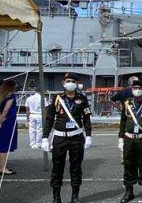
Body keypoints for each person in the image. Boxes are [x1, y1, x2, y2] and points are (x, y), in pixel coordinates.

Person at [43, 73, 93, 203]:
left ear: (77, 83)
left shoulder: (82, 99)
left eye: (73, 81)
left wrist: (88, 135)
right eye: (68, 81)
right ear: (63, 83)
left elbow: (87, 119)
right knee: (57, 167)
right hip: (60, 138)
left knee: (76, 168)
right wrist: (44, 137)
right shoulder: (56, 98)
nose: (70, 83)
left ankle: (75, 196)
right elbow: (49, 119)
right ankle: (56, 197)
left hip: (76, 137)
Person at [0, 79, 18, 176]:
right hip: (8, 123)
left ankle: (0, 166)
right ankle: (3, 168)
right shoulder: (10, 96)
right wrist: (2, 121)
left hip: (2, 122)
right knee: (4, 146)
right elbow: (6, 110)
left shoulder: (0, 96)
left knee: (0, 146)